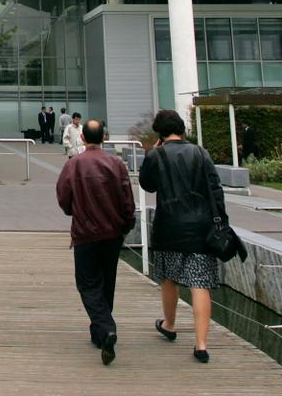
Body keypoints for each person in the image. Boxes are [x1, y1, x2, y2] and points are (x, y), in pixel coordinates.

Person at [139, 108, 226, 364]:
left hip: (169, 224)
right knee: (200, 284)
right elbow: (215, 189)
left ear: (160, 133)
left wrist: (152, 153)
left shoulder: (157, 155)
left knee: (169, 278)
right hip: (201, 226)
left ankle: (169, 324)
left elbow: (147, 184)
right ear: (182, 129)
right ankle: (201, 344)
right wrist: (221, 221)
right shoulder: (200, 152)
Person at [55, 118, 134, 364]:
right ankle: (100, 331)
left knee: (88, 284)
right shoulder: (116, 164)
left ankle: (105, 327)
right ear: (104, 138)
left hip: (85, 233)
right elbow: (127, 199)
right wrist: (126, 224)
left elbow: (63, 197)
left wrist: (74, 211)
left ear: (82, 137)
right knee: (107, 281)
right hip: (112, 233)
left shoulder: (74, 165)